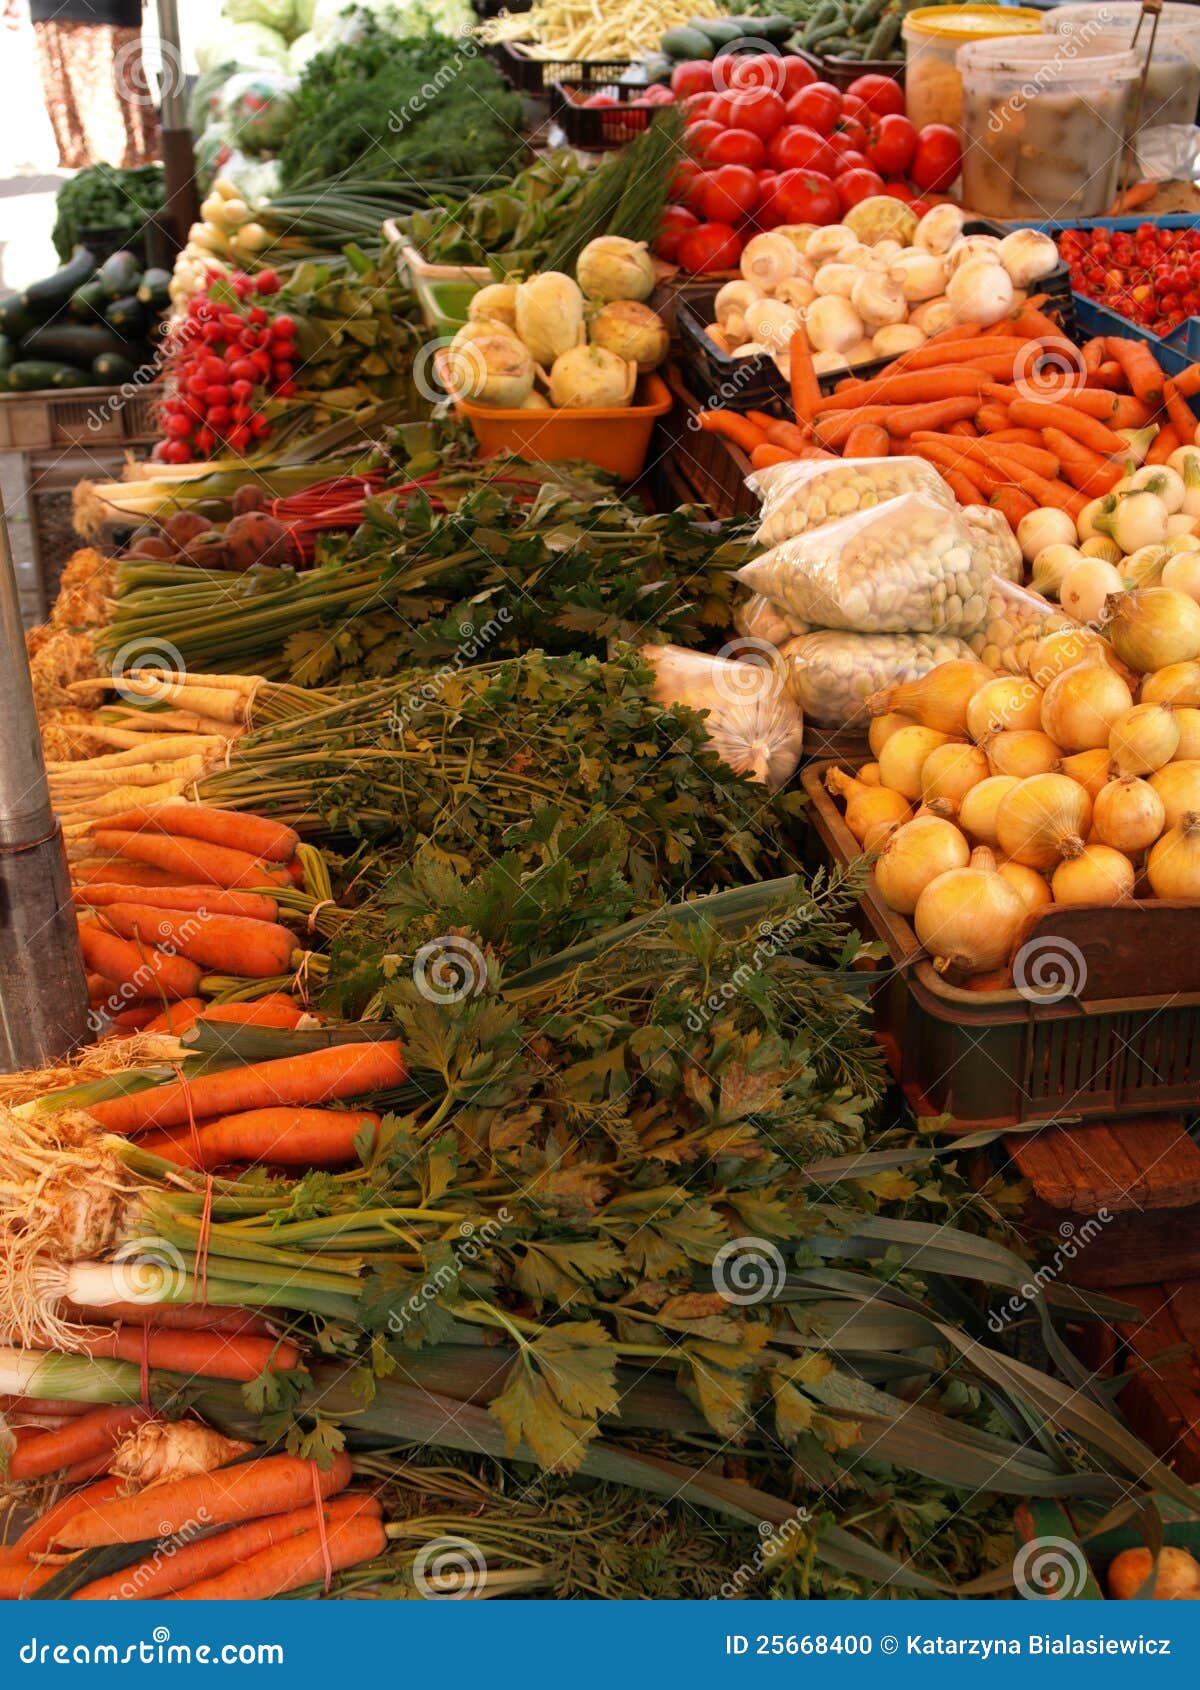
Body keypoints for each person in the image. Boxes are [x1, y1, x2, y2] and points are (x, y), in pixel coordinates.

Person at [29, 0, 159, 171]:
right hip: (53, 11)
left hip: (110, 13)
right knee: (69, 111)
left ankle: (124, 176)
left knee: (120, 109)